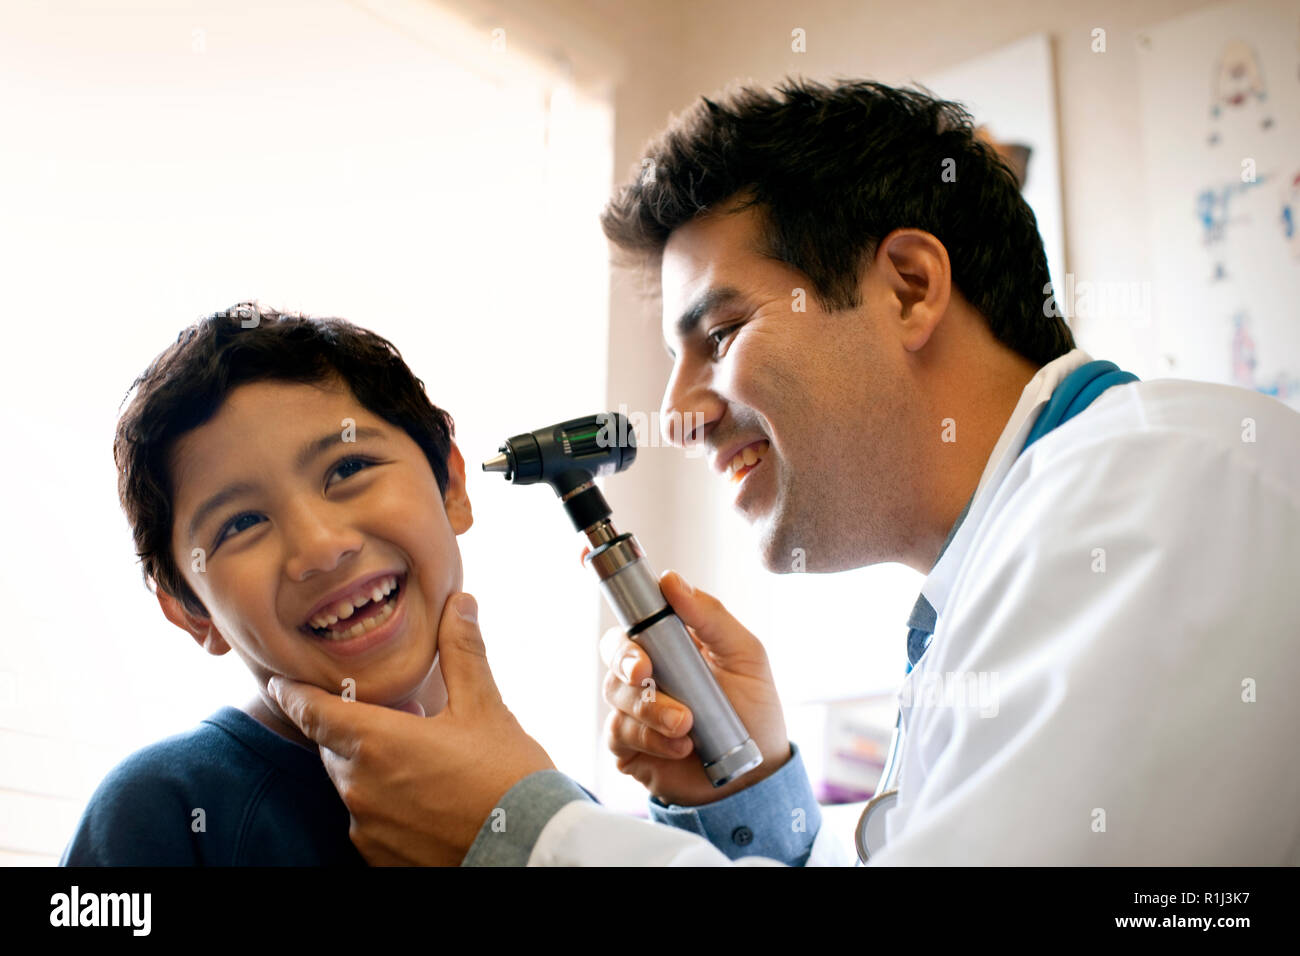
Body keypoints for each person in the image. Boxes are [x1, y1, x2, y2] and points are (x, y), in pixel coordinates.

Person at [269, 78, 1300, 866]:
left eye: (717, 332)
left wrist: (527, 832)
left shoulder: (1160, 485)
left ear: (907, 287)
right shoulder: (1024, 546)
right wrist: (754, 795)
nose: (676, 409)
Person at [59, 303, 554, 864]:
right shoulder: (159, 814)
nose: (320, 547)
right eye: (241, 523)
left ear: (452, 488)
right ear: (192, 610)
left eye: (348, 469)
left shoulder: (549, 806)